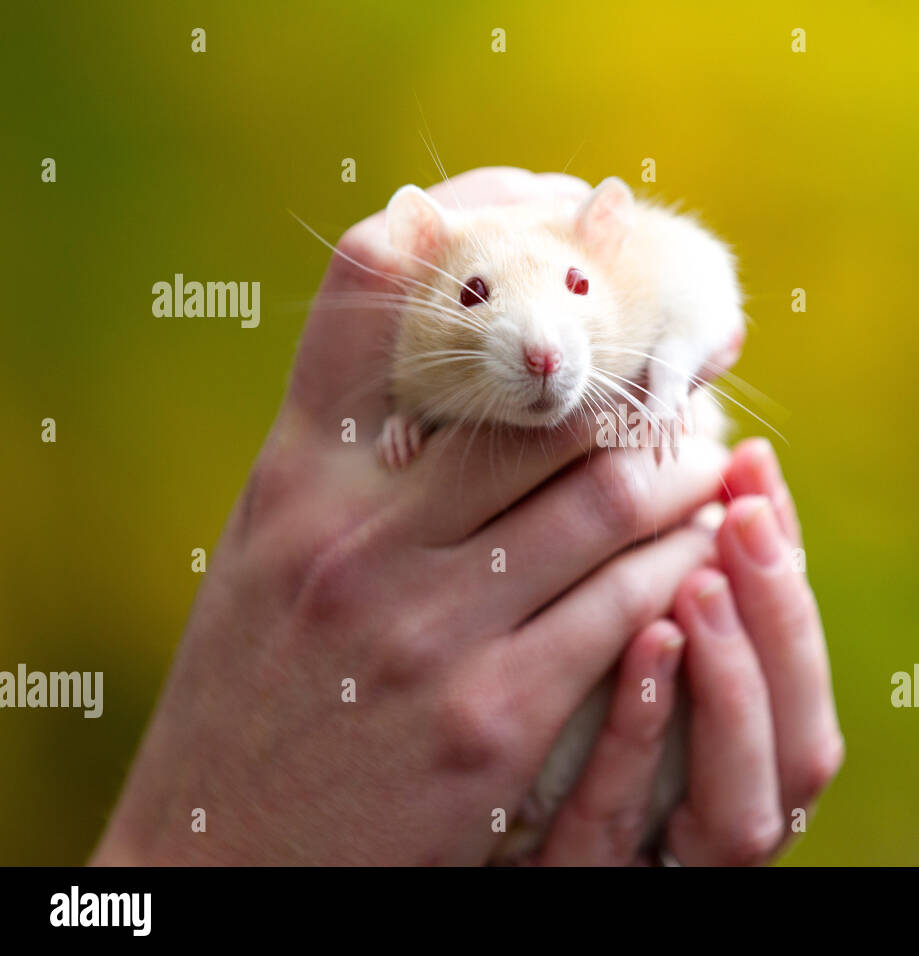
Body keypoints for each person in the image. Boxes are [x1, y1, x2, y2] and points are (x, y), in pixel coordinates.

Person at [91, 168, 842, 866]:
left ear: (605, 244)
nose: (543, 351)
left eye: (575, 283)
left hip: (667, 616)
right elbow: (411, 398)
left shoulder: (643, 272)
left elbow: (705, 275)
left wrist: (672, 371)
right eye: (474, 294)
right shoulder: (416, 368)